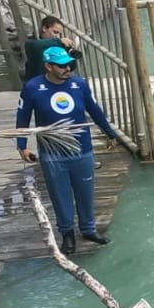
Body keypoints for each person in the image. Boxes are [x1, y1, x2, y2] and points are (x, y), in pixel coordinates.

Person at [16, 45, 117, 254]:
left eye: (70, 65)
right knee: (60, 195)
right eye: (61, 66)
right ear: (48, 66)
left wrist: (109, 133)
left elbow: (95, 111)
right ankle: (67, 234)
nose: (67, 69)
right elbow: (22, 117)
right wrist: (22, 145)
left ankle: (88, 229)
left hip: (82, 149)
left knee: (85, 192)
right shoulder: (33, 88)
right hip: (52, 153)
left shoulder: (79, 85)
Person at [21, 15, 81, 83]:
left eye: (59, 34)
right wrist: (59, 41)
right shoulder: (31, 43)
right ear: (44, 28)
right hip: (38, 84)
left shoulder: (56, 44)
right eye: (55, 32)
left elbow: (69, 68)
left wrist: (71, 57)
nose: (57, 36)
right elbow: (35, 45)